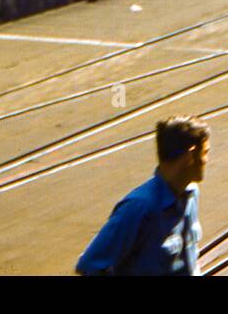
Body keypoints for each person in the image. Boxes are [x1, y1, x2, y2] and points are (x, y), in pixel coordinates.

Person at [76, 117, 209, 276]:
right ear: (190, 155)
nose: (207, 160)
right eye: (205, 152)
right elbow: (90, 265)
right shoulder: (139, 207)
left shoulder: (190, 194)